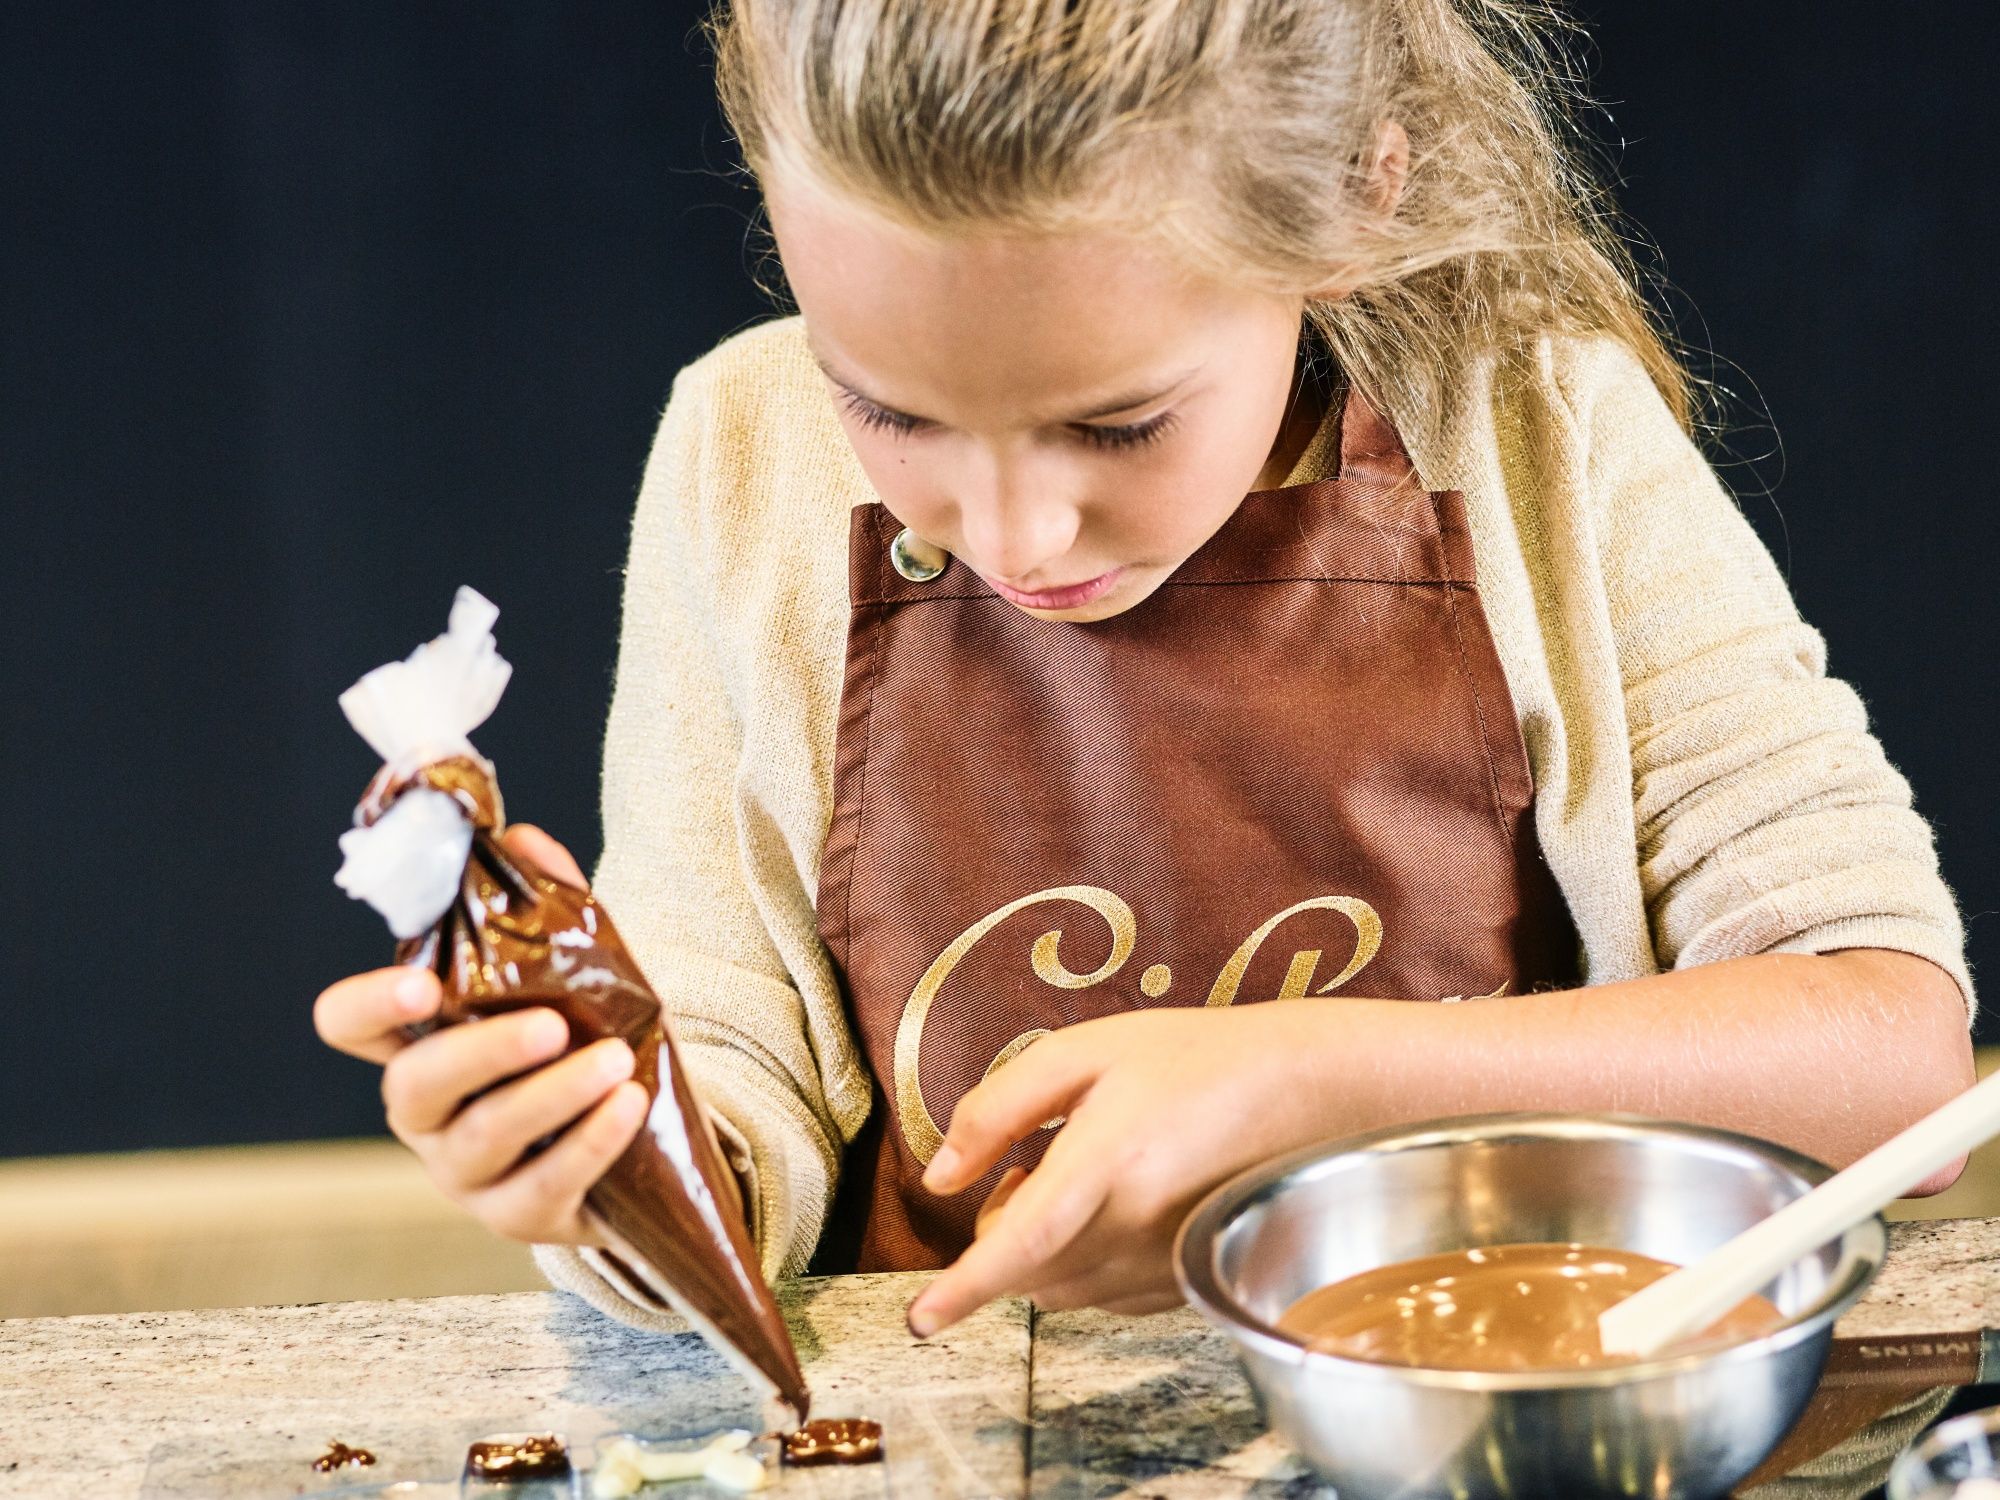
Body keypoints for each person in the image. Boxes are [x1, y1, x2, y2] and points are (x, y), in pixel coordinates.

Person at [315, 0, 1974, 1344]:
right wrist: (611, 1154)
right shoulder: (737, 454)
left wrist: (1318, 1080)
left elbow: (1886, 1048)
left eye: (1118, 422)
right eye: (888, 408)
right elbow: (728, 1075)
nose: (1014, 530)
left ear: (1354, 205)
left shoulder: (1536, 429)